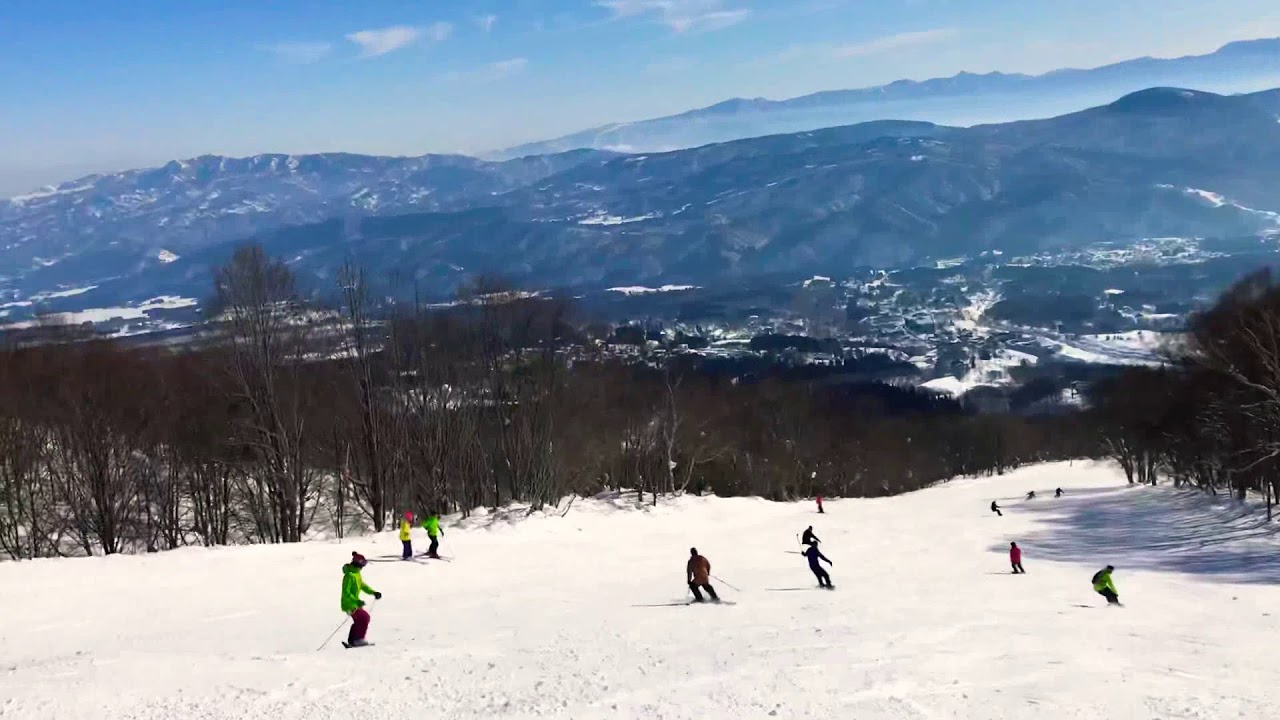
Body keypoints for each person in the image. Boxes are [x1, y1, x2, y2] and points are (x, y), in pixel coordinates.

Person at [340, 552, 381, 647]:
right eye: (363, 564)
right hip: (349, 603)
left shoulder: (356, 573)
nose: (363, 566)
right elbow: (346, 592)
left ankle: (353, 640)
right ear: (358, 563)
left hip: (354, 603)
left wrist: (373, 592)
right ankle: (358, 639)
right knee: (364, 618)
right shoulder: (349, 575)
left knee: (361, 620)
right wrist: (356, 601)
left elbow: (362, 585)